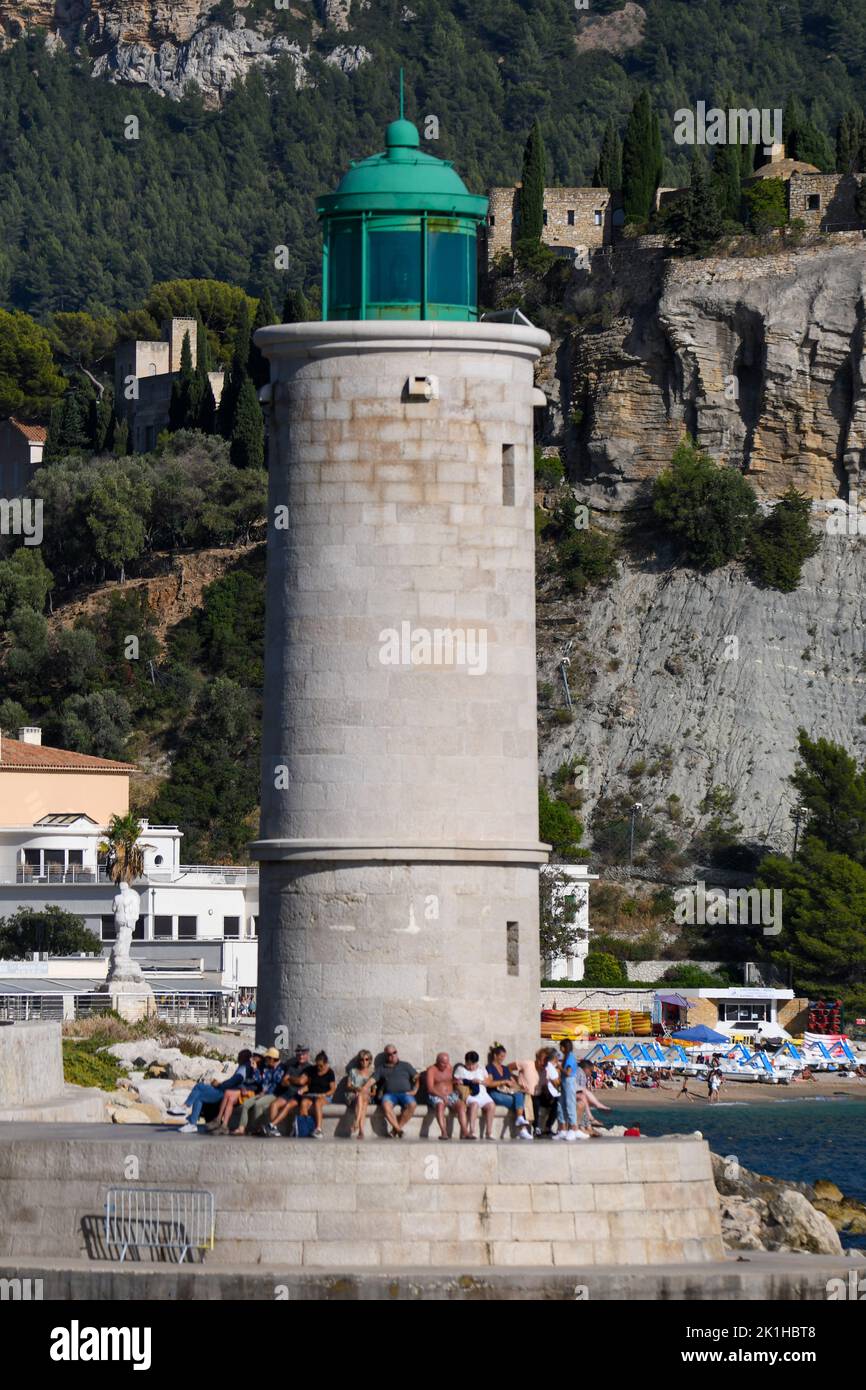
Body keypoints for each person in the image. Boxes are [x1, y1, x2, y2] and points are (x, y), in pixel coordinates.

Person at [176, 1050, 255, 1133]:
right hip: (224, 1088)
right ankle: (185, 1108)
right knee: (199, 1086)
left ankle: (191, 1120)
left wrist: (219, 1085)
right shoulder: (243, 1066)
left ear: (245, 1057)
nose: (238, 1058)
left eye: (240, 1056)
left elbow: (236, 1080)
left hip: (224, 1091)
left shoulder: (244, 1067)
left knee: (199, 1095)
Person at [232, 1047, 286, 1135]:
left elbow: (277, 1084)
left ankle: (256, 1128)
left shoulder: (281, 1068)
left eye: (267, 1058)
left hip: (274, 1094)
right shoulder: (267, 1068)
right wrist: (255, 1069)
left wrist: (265, 1092)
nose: (265, 1060)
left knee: (258, 1104)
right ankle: (241, 1128)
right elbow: (260, 1080)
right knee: (245, 1104)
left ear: (272, 1059)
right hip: (264, 1093)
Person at [486, 1043, 532, 1140]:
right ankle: (522, 1129)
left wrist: (522, 1087)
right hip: (495, 1093)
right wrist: (503, 1081)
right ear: (495, 1055)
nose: (503, 1058)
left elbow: (513, 1083)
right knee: (520, 1103)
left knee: (520, 1095)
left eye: (504, 1056)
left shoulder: (505, 1068)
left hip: (507, 1093)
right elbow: (489, 1083)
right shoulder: (489, 1067)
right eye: (501, 1056)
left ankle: (521, 1122)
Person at [264, 1044, 312, 1136]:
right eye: (298, 1054)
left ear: (307, 1055)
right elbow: (283, 1082)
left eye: (303, 1054)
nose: (301, 1056)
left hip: (299, 1095)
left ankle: (271, 1125)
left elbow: (302, 1082)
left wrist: (290, 1079)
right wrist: (295, 1080)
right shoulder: (292, 1067)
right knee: (274, 1104)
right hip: (288, 1092)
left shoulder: (310, 1068)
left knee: (288, 1106)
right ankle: (274, 1129)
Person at [374, 1045, 419, 1138]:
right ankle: (398, 1130)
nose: (392, 1055)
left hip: (405, 1094)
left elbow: (417, 1078)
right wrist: (364, 1088)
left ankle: (395, 1130)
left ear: (396, 1052)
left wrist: (415, 1091)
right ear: (386, 1055)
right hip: (390, 1095)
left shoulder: (405, 1065)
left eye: (394, 1052)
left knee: (413, 1105)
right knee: (386, 1105)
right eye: (389, 1054)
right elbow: (372, 1080)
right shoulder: (381, 1068)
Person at [424, 1053, 469, 1140]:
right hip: (436, 1094)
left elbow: (449, 1081)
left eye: (447, 1062)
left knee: (461, 1106)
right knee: (440, 1106)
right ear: (437, 1062)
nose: (445, 1065)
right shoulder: (431, 1070)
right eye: (443, 1063)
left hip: (450, 1095)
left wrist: (455, 1082)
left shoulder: (449, 1067)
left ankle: (465, 1132)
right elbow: (430, 1089)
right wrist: (442, 1096)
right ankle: (443, 1132)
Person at [454, 1051, 496, 1139]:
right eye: (468, 1064)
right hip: (470, 1093)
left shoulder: (481, 1069)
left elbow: (488, 1082)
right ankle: (472, 1131)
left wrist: (480, 1081)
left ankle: (489, 1132)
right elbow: (455, 1082)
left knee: (491, 1105)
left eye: (473, 1064)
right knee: (474, 1104)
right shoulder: (460, 1069)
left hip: (482, 1093)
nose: (471, 1067)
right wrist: (466, 1081)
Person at [298, 1051, 336, 1137]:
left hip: (324, 1096)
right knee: (304, 1102)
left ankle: (318, 1129)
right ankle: (305, 1128)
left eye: (321, 1066)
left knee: (318, 1102)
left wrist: (324, 1095)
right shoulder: (312, 1070)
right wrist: (303, 1090)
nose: (318, 1067)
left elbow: (333, 1089)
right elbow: (309, 1086)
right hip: (312, 1095)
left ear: (326, 1063)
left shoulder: (330, 1072)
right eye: (317, 1065)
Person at [554, 1040, 583, 1141]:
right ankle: (562, 1129)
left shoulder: (570, 1057)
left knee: (570, 1104)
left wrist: (559, 1067)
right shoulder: (567, 1056)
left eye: (561, 1046)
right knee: (561, 1105)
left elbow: (568, 1073)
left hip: (569, 1082)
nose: (560, 1048)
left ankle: (573, 1128)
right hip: (564, 1082)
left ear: (564, 1047)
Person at [346, 1050, 376, 1139]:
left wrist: (366, 1092)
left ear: (370, 1060)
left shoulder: (372, 1074)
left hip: (367, 1096)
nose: (364, 1062)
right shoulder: (353, 1071)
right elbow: (348, 1086)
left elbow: (374, 1092)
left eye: (366, 1059)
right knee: (361, 1097)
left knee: (363, 1097)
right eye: (362, 1060)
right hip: (352, 1095)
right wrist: (356, 1088)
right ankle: (361, 1130)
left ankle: (357, 1123)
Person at [534, 1047, 560, 1137]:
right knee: (558, 1102)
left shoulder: (547, 1067)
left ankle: (547, 1127)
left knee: (557, 1102)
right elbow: (556, 1083)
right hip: (544, 1094)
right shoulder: (549, 1066)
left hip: (547, 1094)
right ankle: (545, 1127)